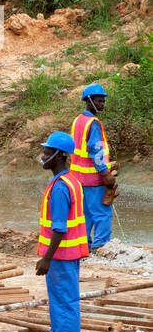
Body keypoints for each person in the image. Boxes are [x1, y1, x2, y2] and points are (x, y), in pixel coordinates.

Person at [35, 131, 89, 332]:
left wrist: (46, 259)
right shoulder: (71, 181)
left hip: (60, 257)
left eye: (48, 151)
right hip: (67, 256)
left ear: (60, 156)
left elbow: (59, 228)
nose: (44, 155)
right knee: (58, 303)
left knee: (65, 304)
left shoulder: (60, 187)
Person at [69, 83, 114, 251]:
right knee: (102, 213)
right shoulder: (93, 123)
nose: (102, 104)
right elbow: (94, 149)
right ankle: (100, 246)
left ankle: (84, 246)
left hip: (78, 178)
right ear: (88, 101)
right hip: (93, 179)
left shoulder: (77, 120)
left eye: (103, 101)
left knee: (85, 214)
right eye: (99, 101)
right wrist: (105, 172)